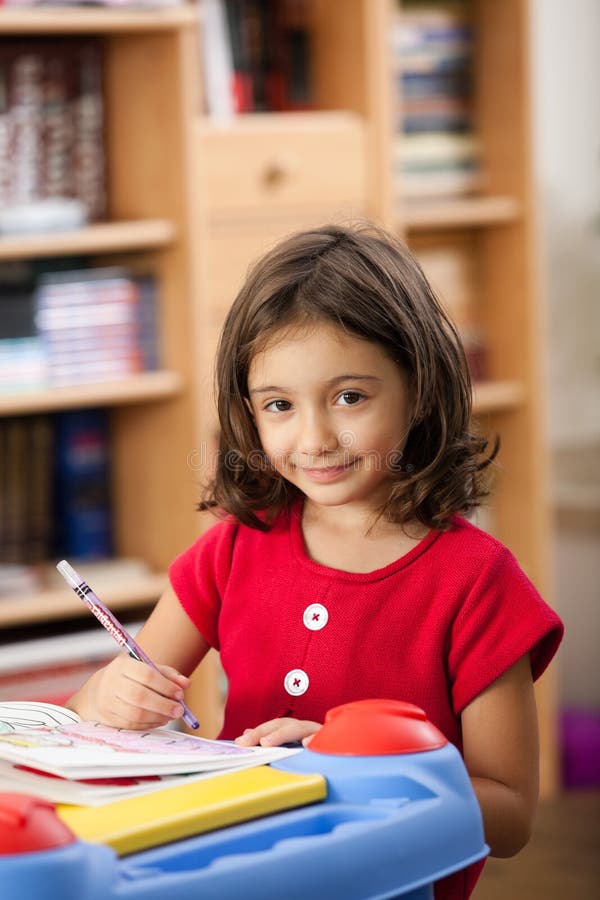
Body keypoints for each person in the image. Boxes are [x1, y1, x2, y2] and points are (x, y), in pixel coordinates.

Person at [69, 223, 563, 900]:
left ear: (418, 390)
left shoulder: (478, 583)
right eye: (279, 405)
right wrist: (107, 699)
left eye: (350, 397)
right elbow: (95, 717)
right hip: (236, 877)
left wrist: (355, 768)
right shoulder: (233, 549)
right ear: (249, 413)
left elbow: (508, 817)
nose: (315, 438)